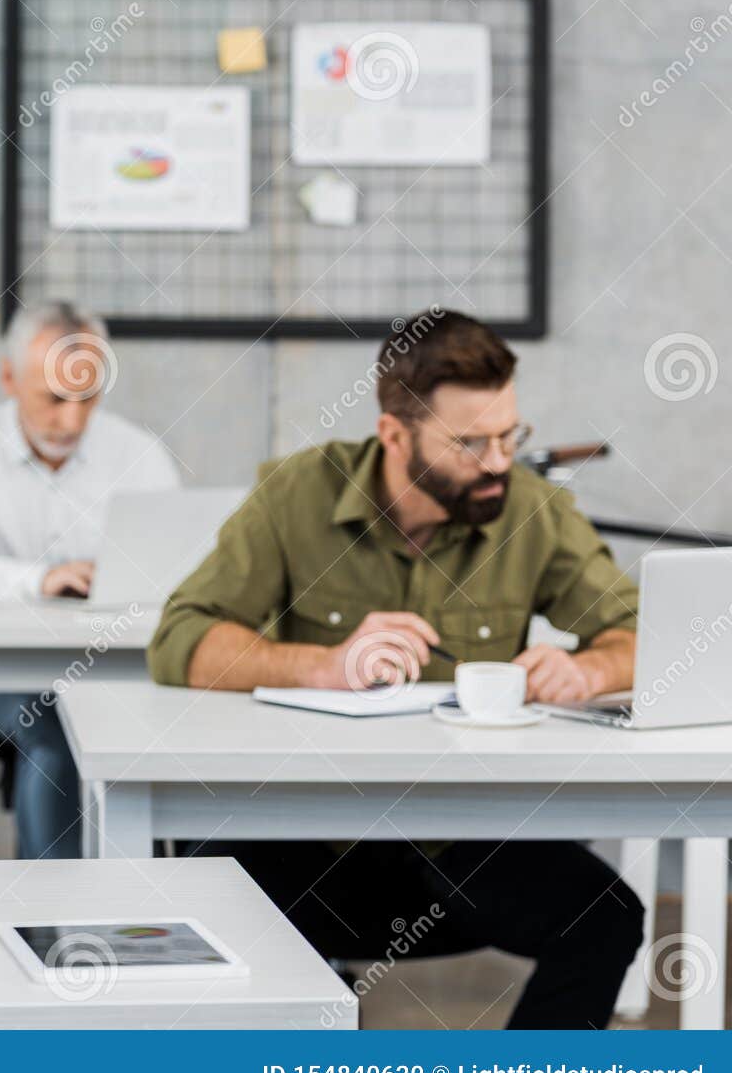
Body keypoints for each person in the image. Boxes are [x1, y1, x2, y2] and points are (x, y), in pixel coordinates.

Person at [148, 309, 644, 1029]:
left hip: (464, 840)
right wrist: (321, 666)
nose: (499, 461)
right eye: (471, 443)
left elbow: (641, 633)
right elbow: (179, 639)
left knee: (606, 919)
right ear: (393, 434)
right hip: (305, 834)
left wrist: (592, 670)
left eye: (511, 435)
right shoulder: (296, 495)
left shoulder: (533, 510)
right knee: (194, 904)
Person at [0, 301, 179, 859]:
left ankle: (139, 915)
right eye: (54, 398)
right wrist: (40, 580)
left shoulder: (138, 453)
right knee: (59, 723)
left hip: (114, 669)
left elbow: (176, 567)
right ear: (9, 378)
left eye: (88, 398)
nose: (72, 422)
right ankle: (56, 924)